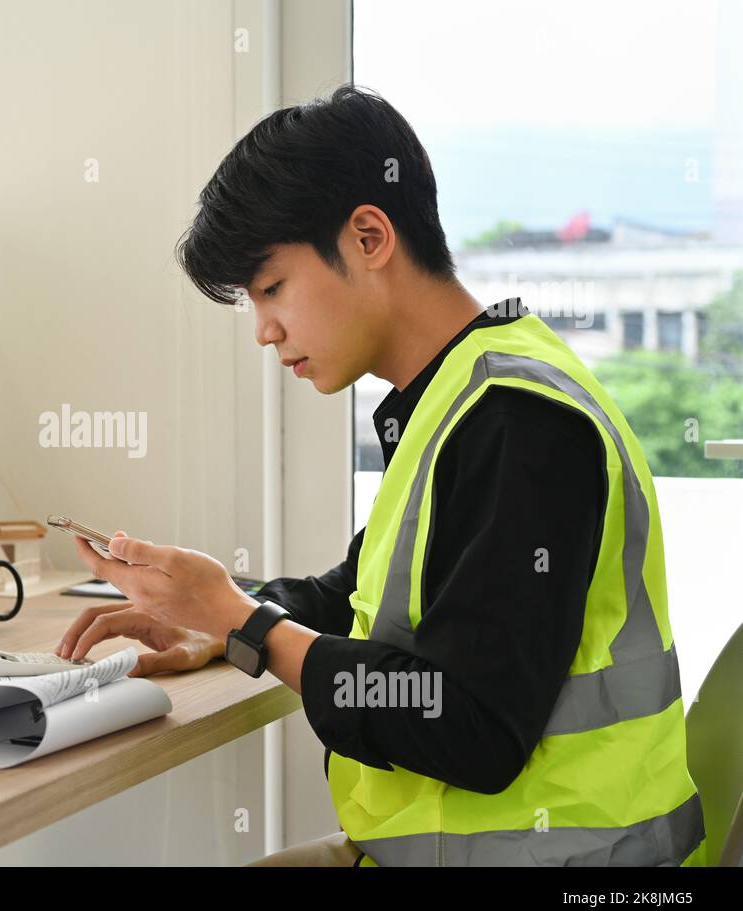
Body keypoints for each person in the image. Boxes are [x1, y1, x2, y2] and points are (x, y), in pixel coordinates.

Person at [55, 85, 706, 867]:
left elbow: (470, 726)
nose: (265, 331)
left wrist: (247, 625)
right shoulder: (466, 396)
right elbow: (353, 596)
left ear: (369, 236)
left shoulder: (519, 423)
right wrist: (216, 620)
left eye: (271, 289)